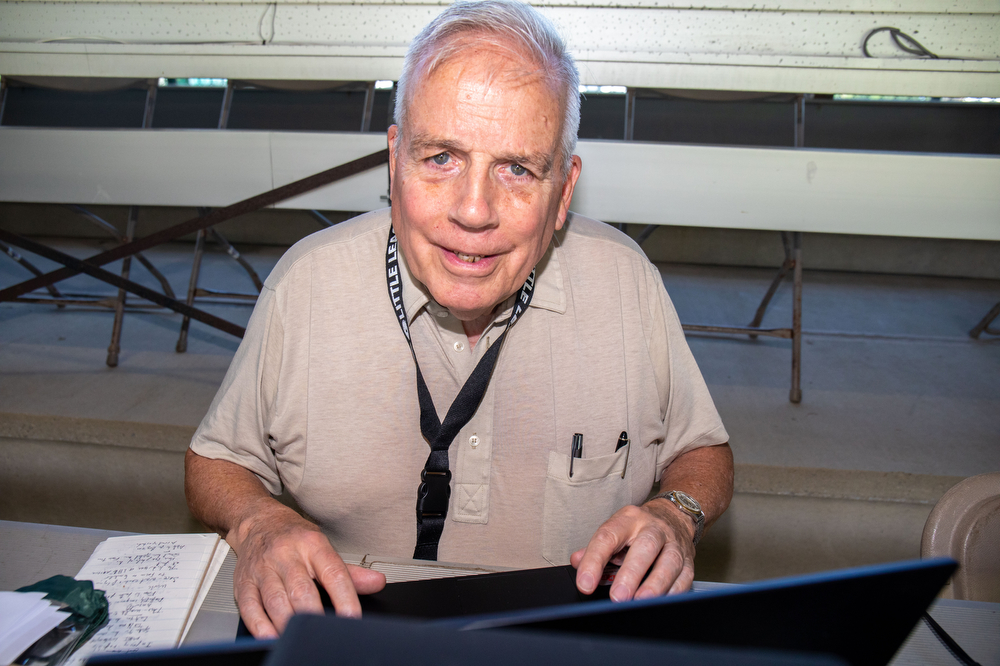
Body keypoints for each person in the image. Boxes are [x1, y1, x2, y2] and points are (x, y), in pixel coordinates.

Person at [185, 0, 733, 639]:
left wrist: (676, 514)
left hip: (568, 640)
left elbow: (703, 451)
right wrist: (259, 522)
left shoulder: (625, 280)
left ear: (563, 191)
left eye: (517, 169)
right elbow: (214, 462)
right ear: (395, 161)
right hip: (357, 637)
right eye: (441, 158)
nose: (474, 211)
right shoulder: (305, 283)